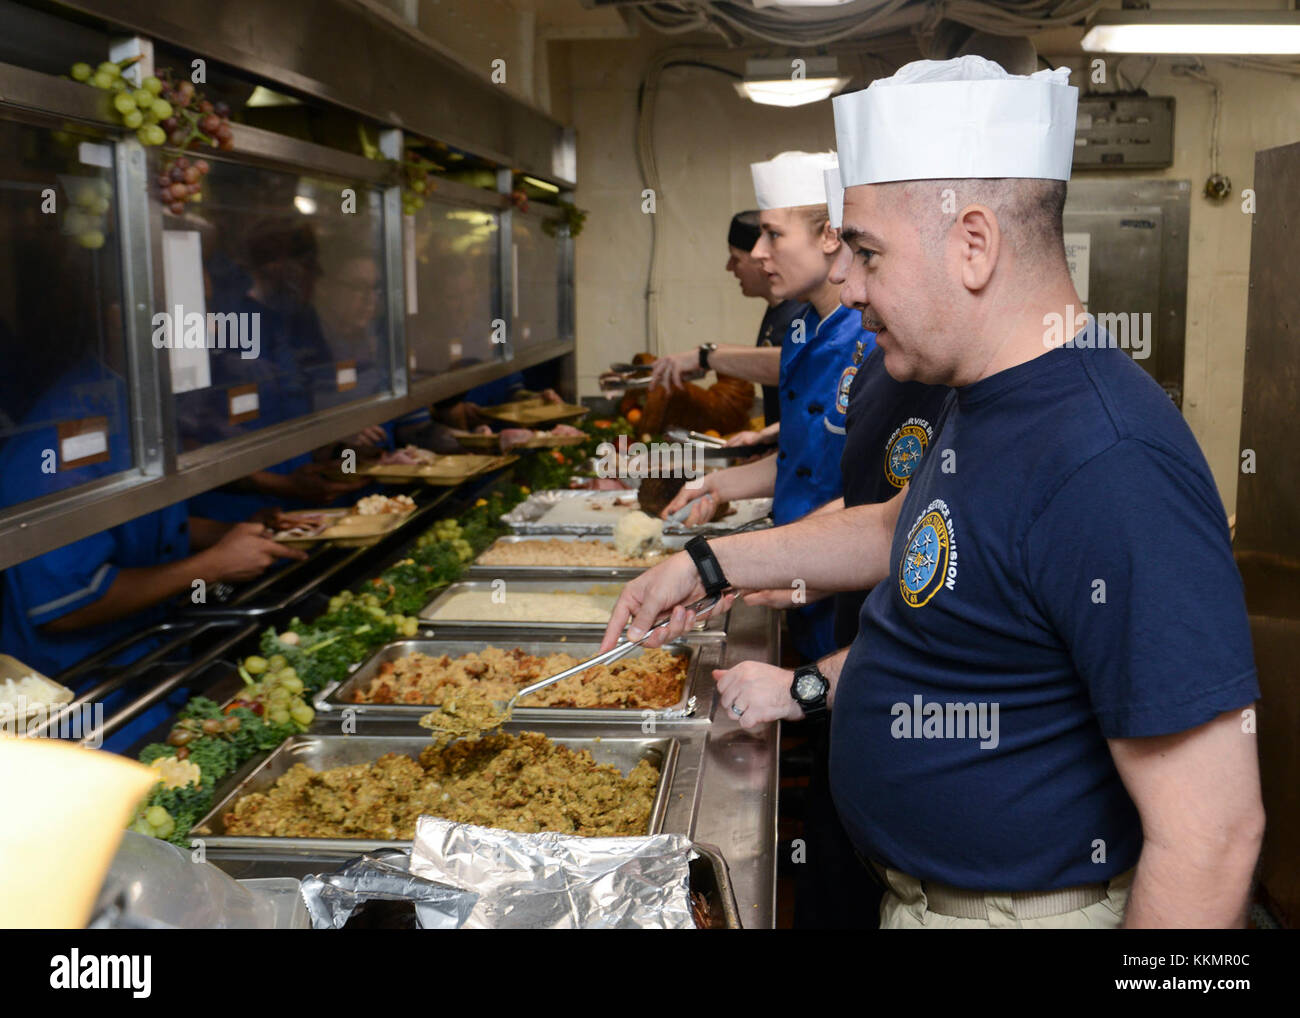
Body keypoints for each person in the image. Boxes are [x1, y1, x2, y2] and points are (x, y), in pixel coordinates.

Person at [602, 57, 1263, 929]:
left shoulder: (1111, 457)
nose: (852, 286)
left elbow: (1213, 834)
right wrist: (707, 564)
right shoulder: (986, 394)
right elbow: (901, 526)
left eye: (869, 252)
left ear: (974, 243)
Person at [660, 151, 869, 661]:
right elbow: (800, 465)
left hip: (848, 587)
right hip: (799, 571)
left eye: (772, 235)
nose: (756, 253)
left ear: (828, 236)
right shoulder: (803, 331)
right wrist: (714, 484)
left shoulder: (870, 341)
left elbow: (884, 499)